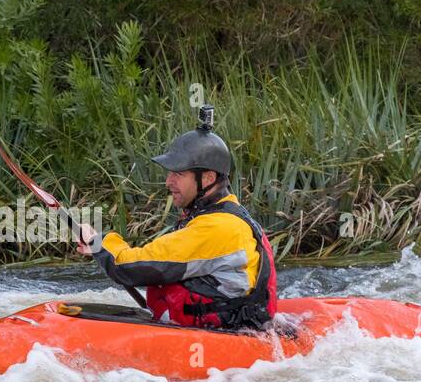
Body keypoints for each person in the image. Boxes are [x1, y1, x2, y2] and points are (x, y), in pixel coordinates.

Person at [76, 112, 277, 329]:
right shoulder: (222, 214)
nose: (168, 182)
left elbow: (129, 268)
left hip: (223, 336)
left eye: (178, 174)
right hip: (229, 326)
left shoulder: (218, 227)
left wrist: (98, 242)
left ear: (208, 178)